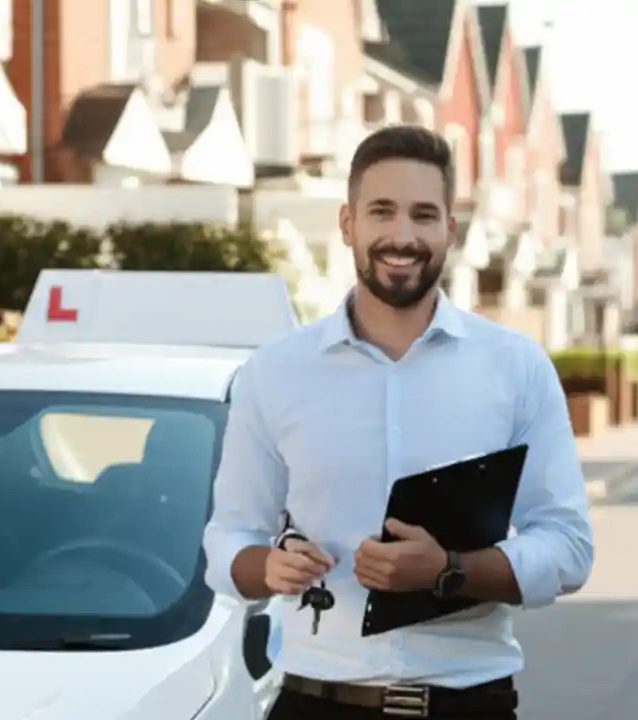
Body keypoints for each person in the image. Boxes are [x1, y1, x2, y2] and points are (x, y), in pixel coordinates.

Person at [202, 124, 594, 719]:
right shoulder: (274, 373)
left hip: (470, 704)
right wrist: (267, 566)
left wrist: (449, 572)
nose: (402, 236)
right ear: (347, 224)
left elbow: (568, 549)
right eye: (381, 211)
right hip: (316, 701)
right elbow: (227, 540)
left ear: (450, 231)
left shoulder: (515, 368)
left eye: (424, 215)